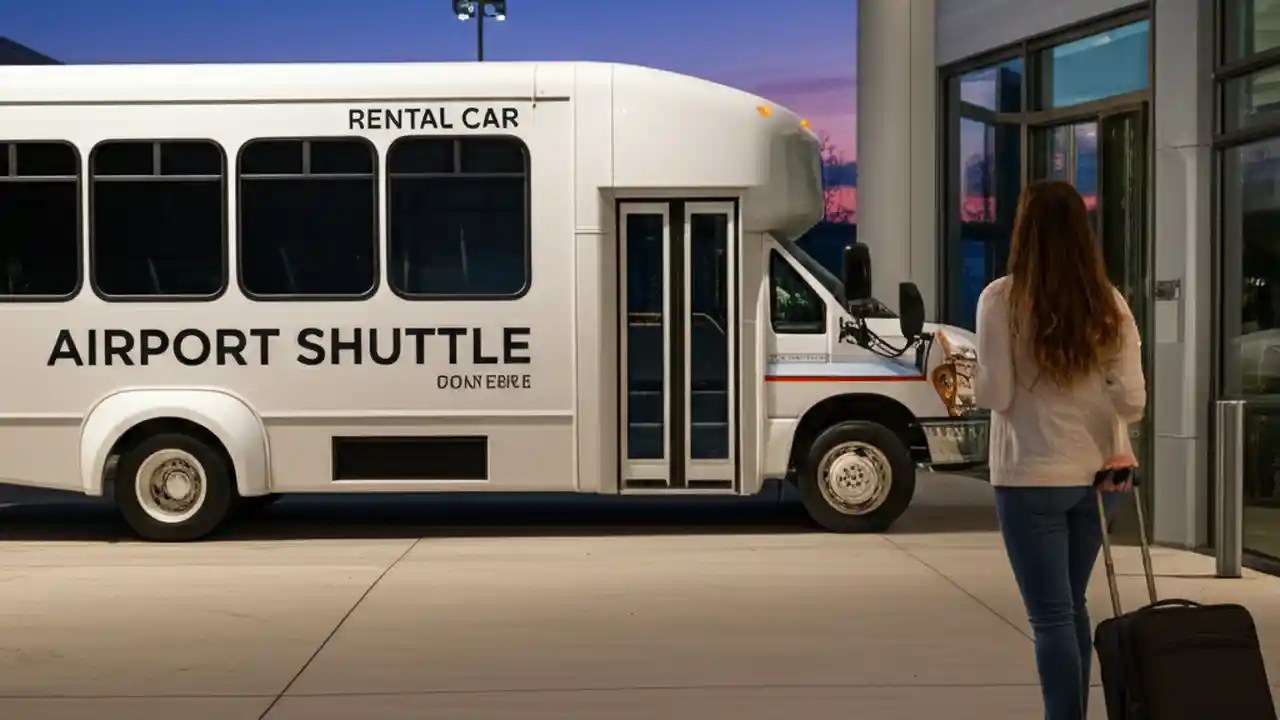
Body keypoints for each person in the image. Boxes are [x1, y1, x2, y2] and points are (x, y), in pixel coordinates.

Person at [974, 179, 1146, 720]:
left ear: (1023, 232)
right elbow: (1134, 399)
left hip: (1029, 475)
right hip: (1099, 479)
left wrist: (968, 379)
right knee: (1072, 607)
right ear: (1082, 233)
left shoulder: (1001, 299)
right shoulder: (1109, 302)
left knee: (1049, 617)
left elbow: (995, 393)